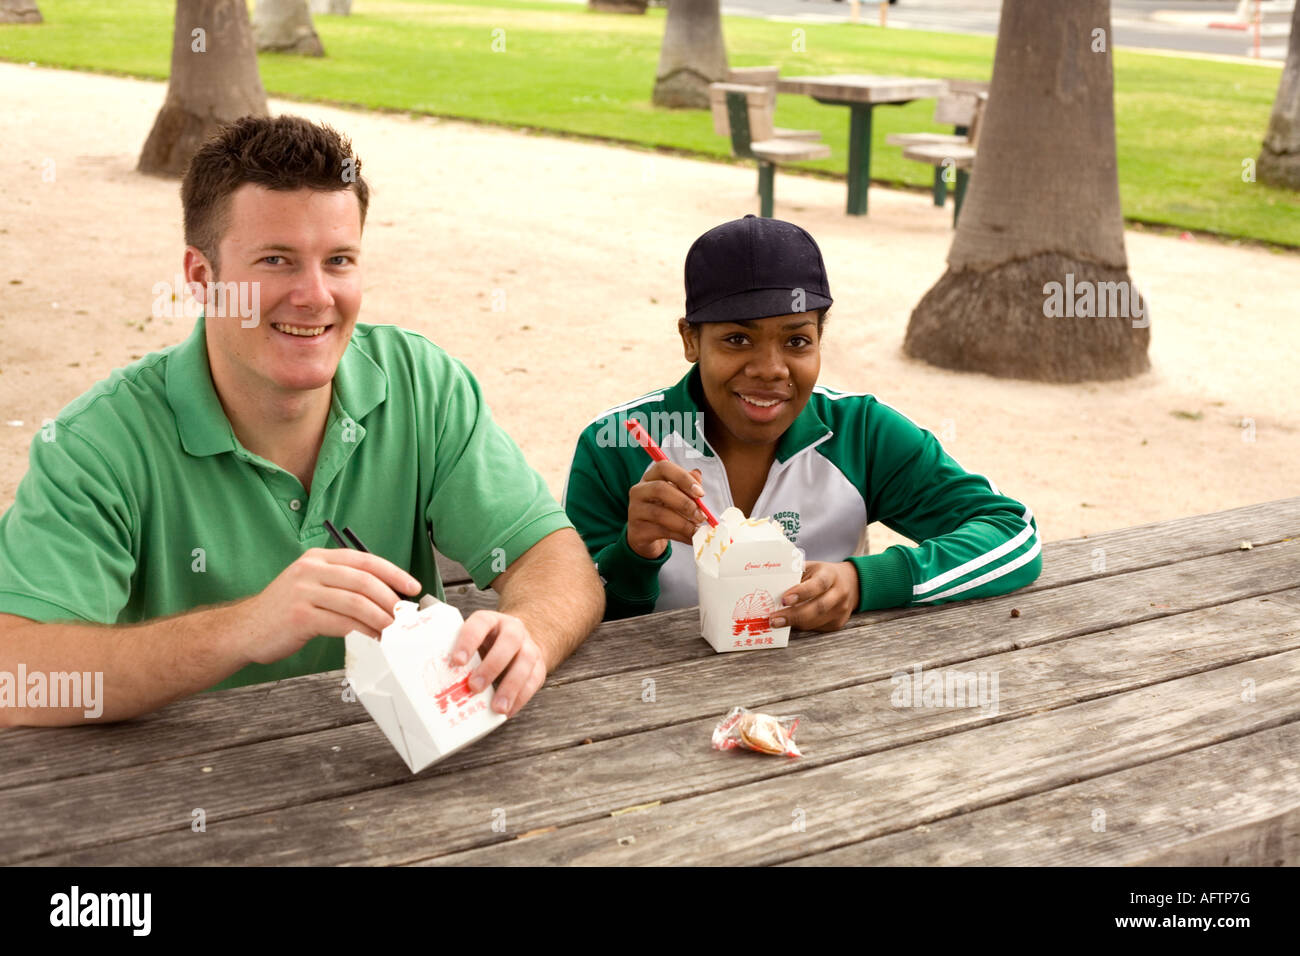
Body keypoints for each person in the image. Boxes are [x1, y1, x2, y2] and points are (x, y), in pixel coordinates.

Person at [0, 115, 603, 727]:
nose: (315, 295)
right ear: (202, 278)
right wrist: (245, 627)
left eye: (338, 260)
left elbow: (552, 557)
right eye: (276, 261)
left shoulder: (423, 382)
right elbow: (14, 677)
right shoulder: (97, 443)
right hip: (176, 795)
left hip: (404, 774)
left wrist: (527, 636)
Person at [564, 214, 1040, 628]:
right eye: (736, 340)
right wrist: (634, 553)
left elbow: (1013, 535)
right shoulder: (614, 446)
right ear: (691, 340)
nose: (770, 368)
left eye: (796, 342)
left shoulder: (862, 433)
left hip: (831, 698)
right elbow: (565, 614)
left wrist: (862, 581)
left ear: (819, 339)